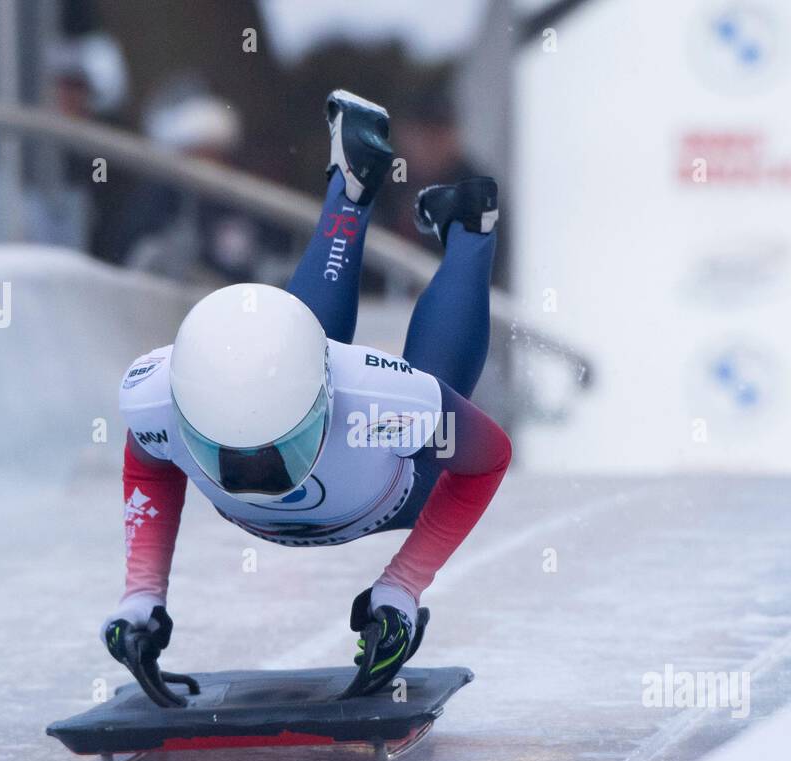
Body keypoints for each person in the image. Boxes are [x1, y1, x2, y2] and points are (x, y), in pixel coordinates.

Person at [102, 90, 510, 702]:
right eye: (230, 451)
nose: (256, 471)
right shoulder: (154, 399)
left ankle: (465, 229)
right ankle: (385, 203)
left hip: (391, 485)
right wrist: (140, 599)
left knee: (432, 401)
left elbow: (487, 456)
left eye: (274, 447)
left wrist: (403, 585)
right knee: (300, 331)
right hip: (367, 488)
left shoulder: (384, 403)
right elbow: (152, 456)